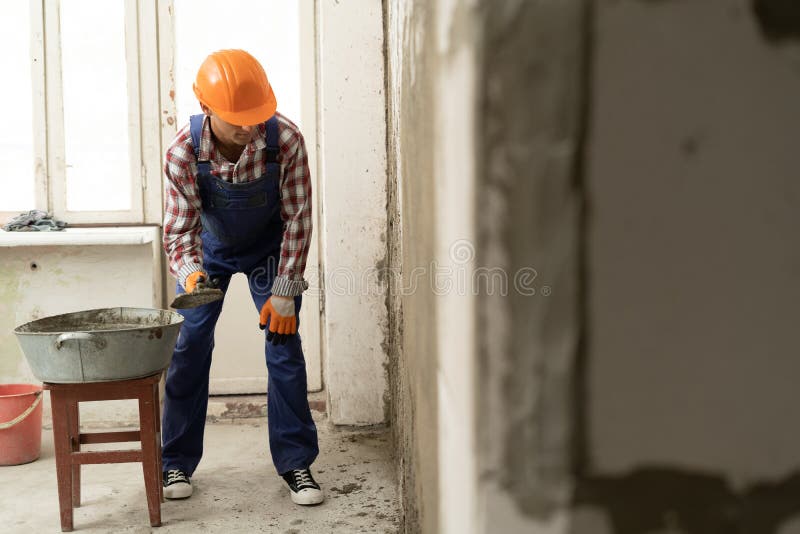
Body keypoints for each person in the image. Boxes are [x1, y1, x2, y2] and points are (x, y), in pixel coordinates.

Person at [160, 49, 322, 506]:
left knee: (283, 343)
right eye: (237, 119)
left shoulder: (285, 140)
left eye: (256, 116)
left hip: (270, 251)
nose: (249, 127)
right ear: (206, 107)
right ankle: (175, 461)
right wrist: (192, 277)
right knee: (190, 345)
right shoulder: (183, 152)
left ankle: (296, 462)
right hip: (207, 253)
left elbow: (298, 219)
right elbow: (180, 231)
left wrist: (285, 291)